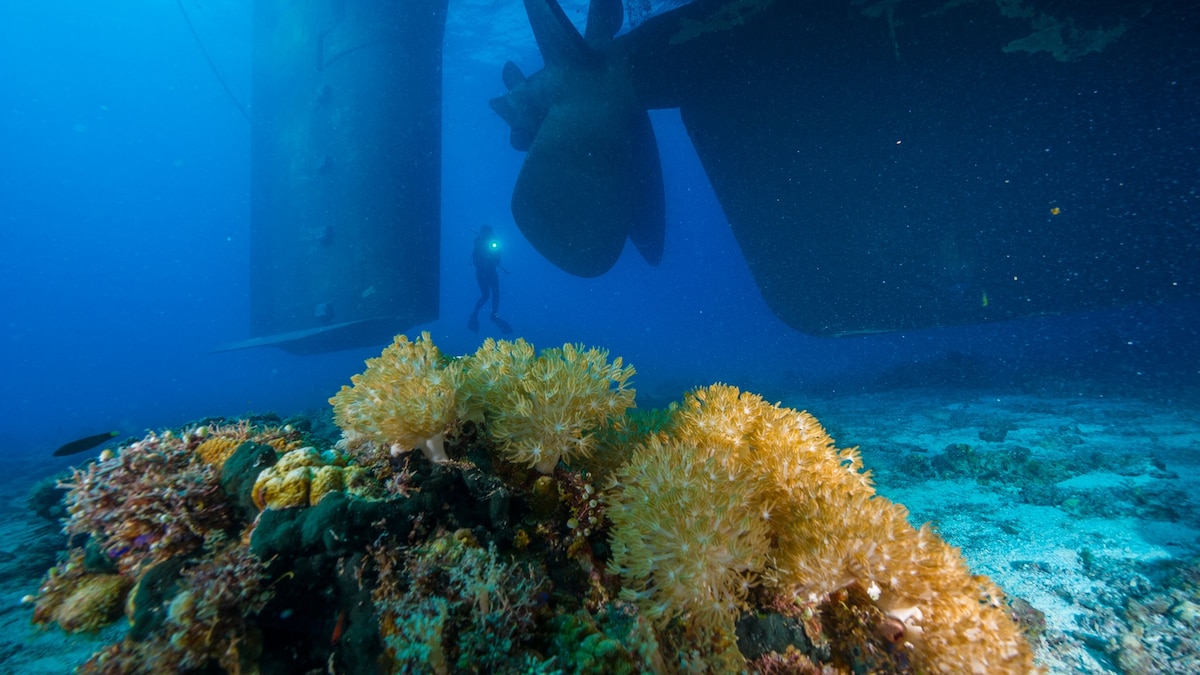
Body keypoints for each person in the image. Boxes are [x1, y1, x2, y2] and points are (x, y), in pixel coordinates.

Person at [468, 225, 513, 334]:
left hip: (490, 271)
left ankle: (493, 314)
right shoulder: (478, 242)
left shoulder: (493, 242)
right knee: (486, 295)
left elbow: (497, 256)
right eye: (485, 232)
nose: (486, 234)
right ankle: (476, 314)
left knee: (495, 293)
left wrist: (492, 256)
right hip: (482, 272)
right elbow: (476, 258)